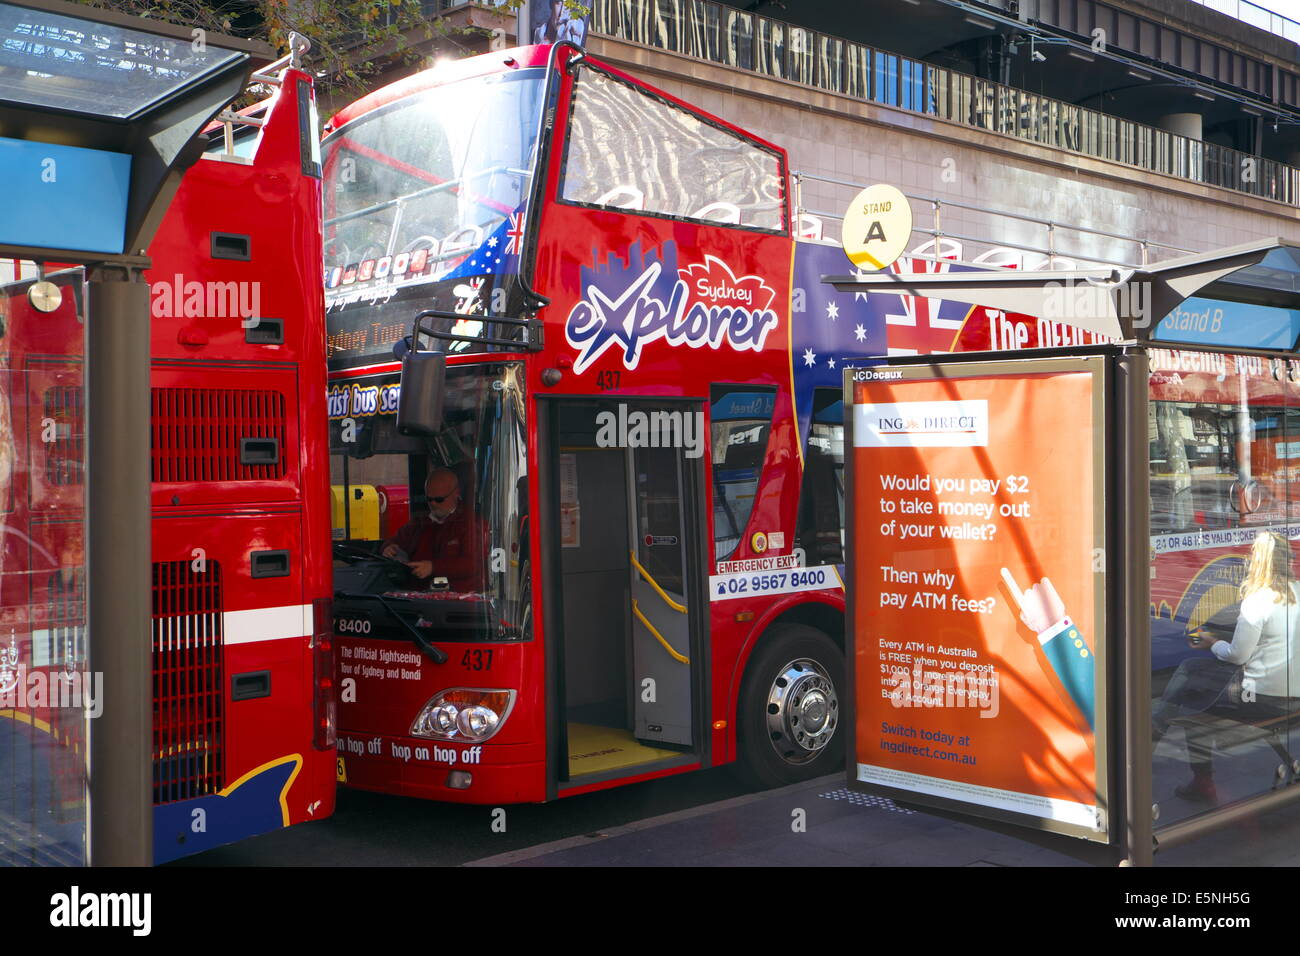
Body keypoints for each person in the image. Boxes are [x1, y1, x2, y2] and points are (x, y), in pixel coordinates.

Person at [1152, 531, 1300, 803]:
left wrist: (1212, 643)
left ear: (1258, 563)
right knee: (1193, 677)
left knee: (1191, 684)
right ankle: (1158, 729)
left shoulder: (1257, 601)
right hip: (1296, 699)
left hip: (1261, 700)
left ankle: (1192, 771)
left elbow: (1236, 656)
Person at [381, 467, 486, 593]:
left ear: (456, 493)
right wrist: (389, 547)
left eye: (439, 499)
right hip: (418, 597)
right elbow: (394, 540)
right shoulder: (419, 523)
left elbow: (473, 564)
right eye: (429, 499)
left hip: (458, 600)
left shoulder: (471, 523)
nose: (434, 504)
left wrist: (433, 567)